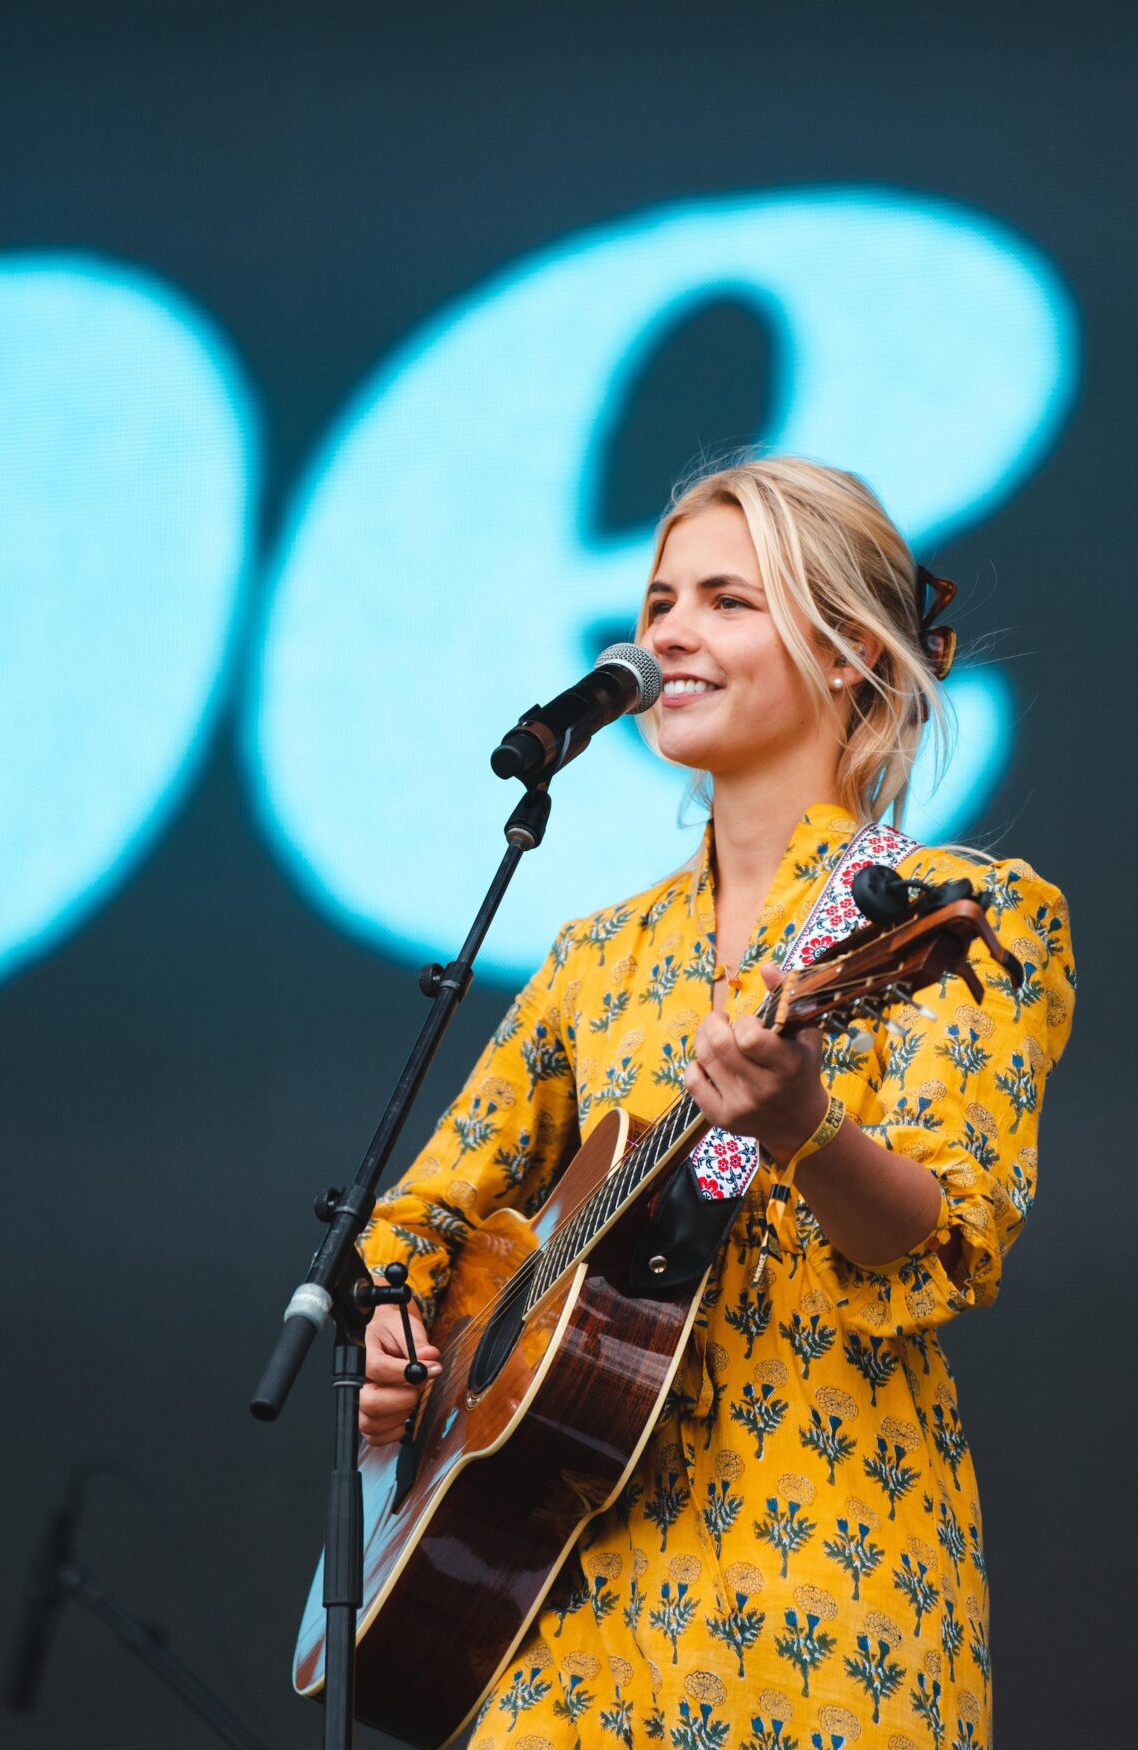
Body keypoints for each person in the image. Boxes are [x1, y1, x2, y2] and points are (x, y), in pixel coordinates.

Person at [358, 457, 1076, 1749]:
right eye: (659, 597)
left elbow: (942, 1238)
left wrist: (800, 1126)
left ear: (853, 652)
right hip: (556, 1601)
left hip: (820, 1576)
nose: (668, 632)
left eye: (727, 600)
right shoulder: (597, 955)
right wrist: (398, 1338)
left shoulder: (972, 910)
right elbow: (411, 1215)